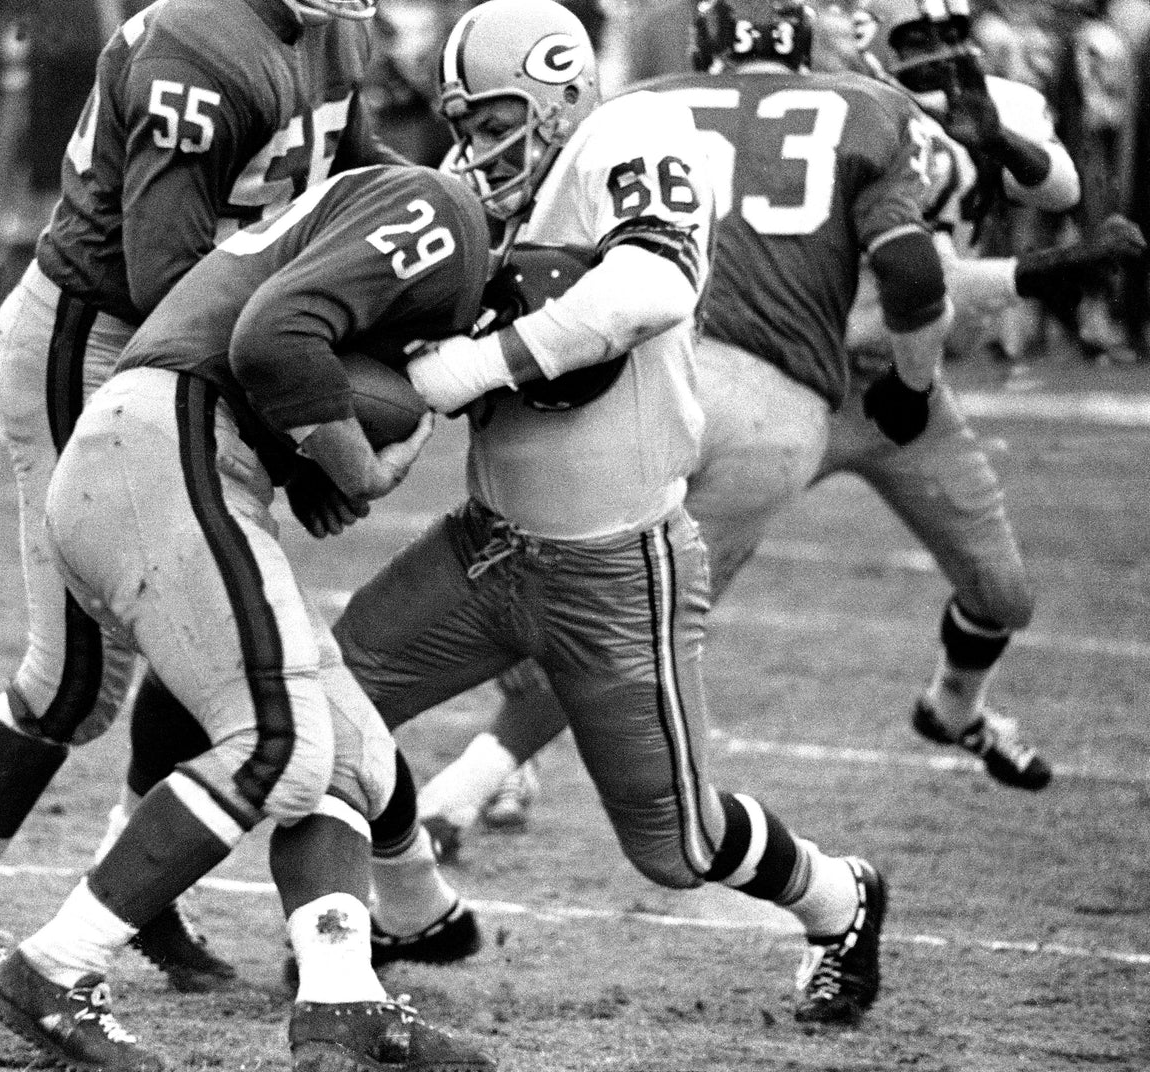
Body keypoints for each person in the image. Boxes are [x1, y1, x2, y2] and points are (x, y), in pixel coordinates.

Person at [341, 0, 957, 1027]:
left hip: (617, 567)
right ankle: (411, 905)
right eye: (467, 124)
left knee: (676, 846)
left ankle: (840, 897)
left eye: (497, 119)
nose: (478, 148)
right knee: (322, 712)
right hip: (486, 544)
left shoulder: (630, 133)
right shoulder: (474, 192)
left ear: (563, 92)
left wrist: (465, 368)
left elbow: (650, 284)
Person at [416, 0, 1147, 853]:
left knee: (1002, 595)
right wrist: (1039, 269)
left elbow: (1044, 189)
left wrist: (994, 135)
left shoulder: (943, 107)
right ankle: (484, 777)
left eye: (940, 38)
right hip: (796, 381)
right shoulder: (862, 108)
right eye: (909, 36)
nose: (929, 54)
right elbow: (933, 268)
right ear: (843, 36)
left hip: (877, 387)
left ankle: (955, 708)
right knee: (636, 607)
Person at [0, 0, 419, 1004]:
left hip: (205, 340)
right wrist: (302, 412)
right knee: (79, 672)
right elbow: (164, 275)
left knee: (211, 615)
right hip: (98, 339)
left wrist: (444, 217)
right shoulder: (196, 45)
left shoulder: (332, 30)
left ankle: (143, 874)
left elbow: (353, 172)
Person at [0, 158, 497, 1070]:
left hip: (181, 457)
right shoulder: (442, 212)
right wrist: (356, 462)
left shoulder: (389, 199)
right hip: (162, 446)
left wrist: (310, 452)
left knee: (353, 757)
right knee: (278, 745)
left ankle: (343, 996)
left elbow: (280, 335)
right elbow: (273, 337)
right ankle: (58, 965)